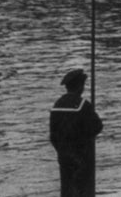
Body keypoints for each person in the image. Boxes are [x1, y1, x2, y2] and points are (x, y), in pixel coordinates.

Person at [50, 68, 102, 197]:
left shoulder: (57, 105)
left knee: (66, 187)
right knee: (83, 188)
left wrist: (61, 150)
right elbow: (97, 127)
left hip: (64, 155)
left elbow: (53, 135)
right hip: (81, 156)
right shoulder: (83, 105)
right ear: (80, 87)